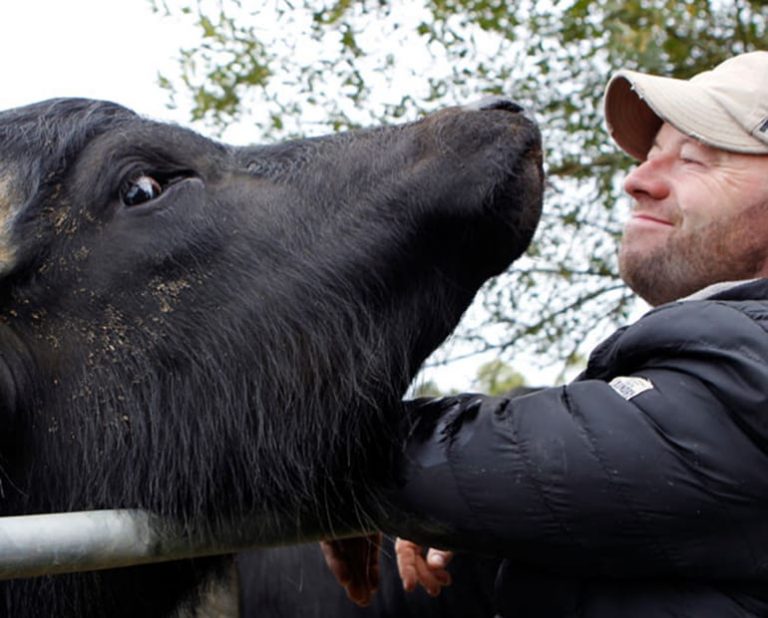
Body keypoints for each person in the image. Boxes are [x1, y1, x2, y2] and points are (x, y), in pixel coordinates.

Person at [323, 50, 768, 616]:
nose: (636, 180)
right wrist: (475, 519)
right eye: (652, 155)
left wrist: (344, 462)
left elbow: (498, 456)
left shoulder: (749, 373)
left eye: (698, 161)